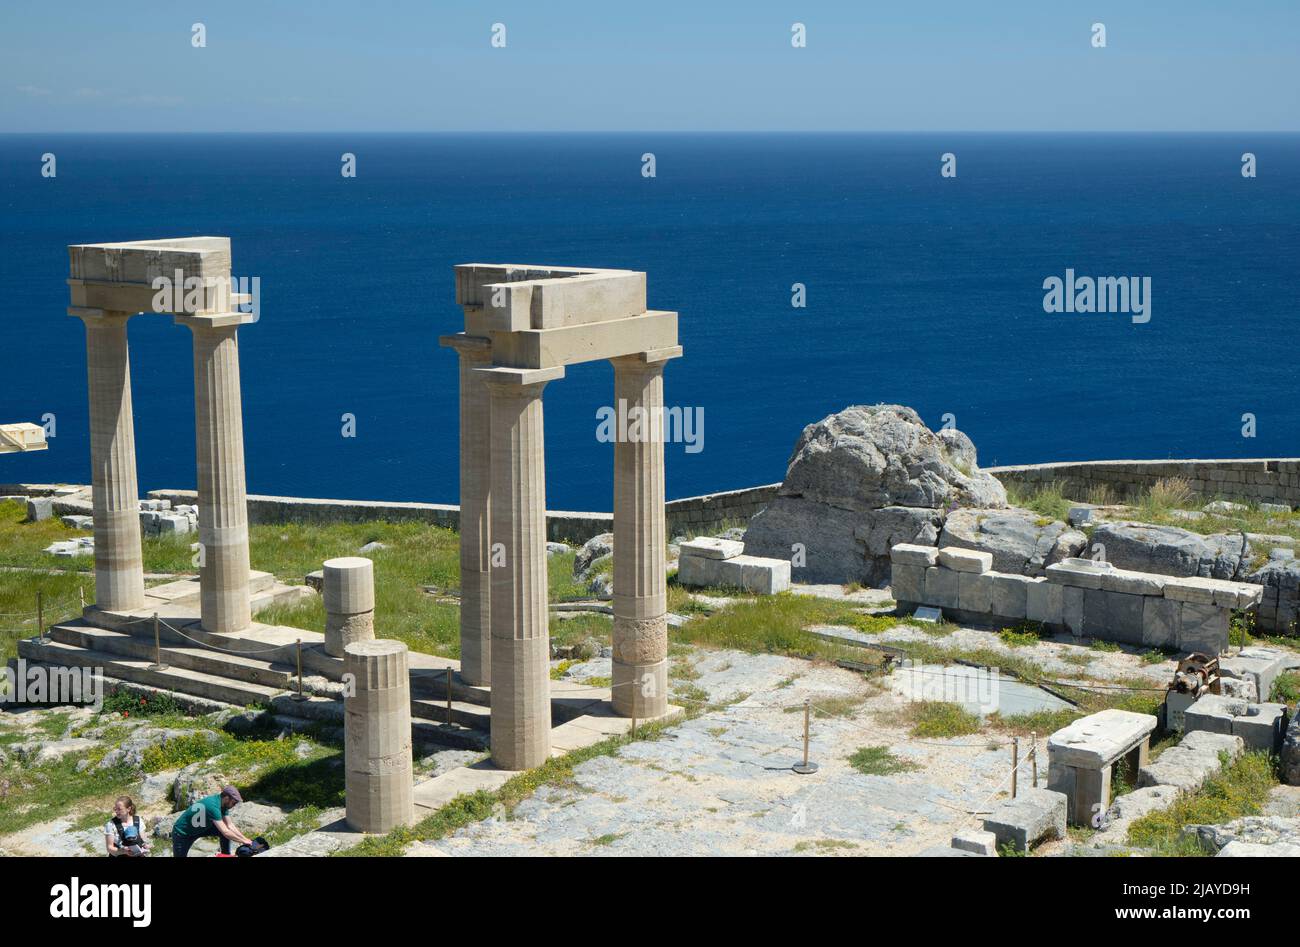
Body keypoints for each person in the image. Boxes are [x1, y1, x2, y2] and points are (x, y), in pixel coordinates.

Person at [171, 786, 254, 858]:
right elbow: (226, 832)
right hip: (182, 833)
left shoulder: (223, 804)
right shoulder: (213, 806)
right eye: (234, 802)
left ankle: (225, 855)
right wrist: (242, 841)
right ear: (227, 798)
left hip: (202, 827)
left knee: (222, 831)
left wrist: (246, 839)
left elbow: (230, 825)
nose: (234, 805)